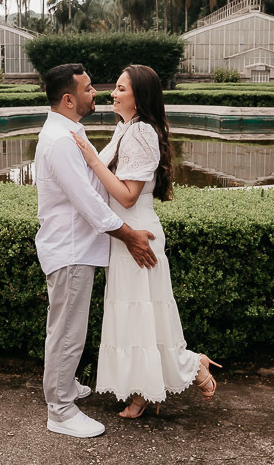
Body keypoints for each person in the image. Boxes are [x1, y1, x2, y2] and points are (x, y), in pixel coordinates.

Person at [70, 64, 221, 418]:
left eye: (121, 89)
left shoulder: (140, 133)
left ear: (139, 97)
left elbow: (126, 196)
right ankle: (145, 392)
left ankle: (192, 366)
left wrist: (91, 157)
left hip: (137, 233)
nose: (113, 93)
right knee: (135, 316)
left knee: (141, 313)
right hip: (125, 235)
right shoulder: (127, 129)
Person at [35, 62, 158, 438]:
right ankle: (60, 410)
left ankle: (66, 387)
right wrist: (129, 235)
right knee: (67, 333)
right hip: (70, 249)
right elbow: (88, 202)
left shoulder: (69, 130)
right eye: (88, 89)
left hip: (79, 248)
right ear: (69, 99)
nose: (97, 93)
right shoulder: (59, 141)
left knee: (70, 328)